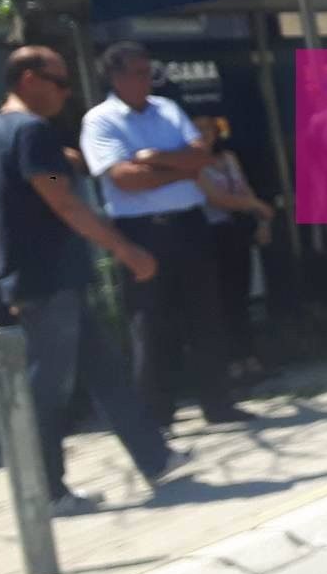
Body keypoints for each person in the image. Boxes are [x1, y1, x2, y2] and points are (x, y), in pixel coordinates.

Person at [0, 46, 186, 513]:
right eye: (60, 82)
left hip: (36, 276)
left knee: (105, 371)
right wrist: (125, 248)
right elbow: (65, 203)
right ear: (29, 79)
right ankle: (45, 492)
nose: (67, 94)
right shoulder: (32, 131)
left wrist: (4, 268)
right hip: (48, 279)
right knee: (47, 390)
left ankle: (155, 457)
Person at [78, 42, 252, 426]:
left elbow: (201, 158)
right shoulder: (100, 120)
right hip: (143, 230)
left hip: (189, 223)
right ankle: (156, 414)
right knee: (152, 323)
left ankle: (218, 404)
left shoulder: (168, 110)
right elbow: (126, 180)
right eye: (139, 73)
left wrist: (152, 159)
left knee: (207, 315)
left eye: (149, 72)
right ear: (116, 76)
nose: (147, 80)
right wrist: (179, 169)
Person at [197, 118, 271, 382]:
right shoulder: (189, 164)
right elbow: (215, 198)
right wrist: (253, 204)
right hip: (210, 234)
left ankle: (248, 356)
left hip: (237, 231)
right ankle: (230, 361)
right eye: (197, 130)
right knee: (220, 299)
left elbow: (245, 189)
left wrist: (259, 219)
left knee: (240, 296)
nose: (204, 135)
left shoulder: (229, 158)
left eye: (207, 129)